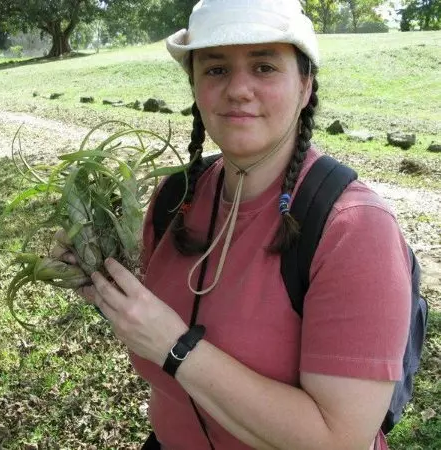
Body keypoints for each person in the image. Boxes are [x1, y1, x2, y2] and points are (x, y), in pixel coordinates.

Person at [66, 1, 412, 448]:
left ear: (305, 85)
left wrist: (175, 348)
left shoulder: (354, 228)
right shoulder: (175, 198)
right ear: (194, 85)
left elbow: (340, 439)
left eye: (264, 66)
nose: (238, 90)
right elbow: (148, 328)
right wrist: (105, 288)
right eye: (215, 70)